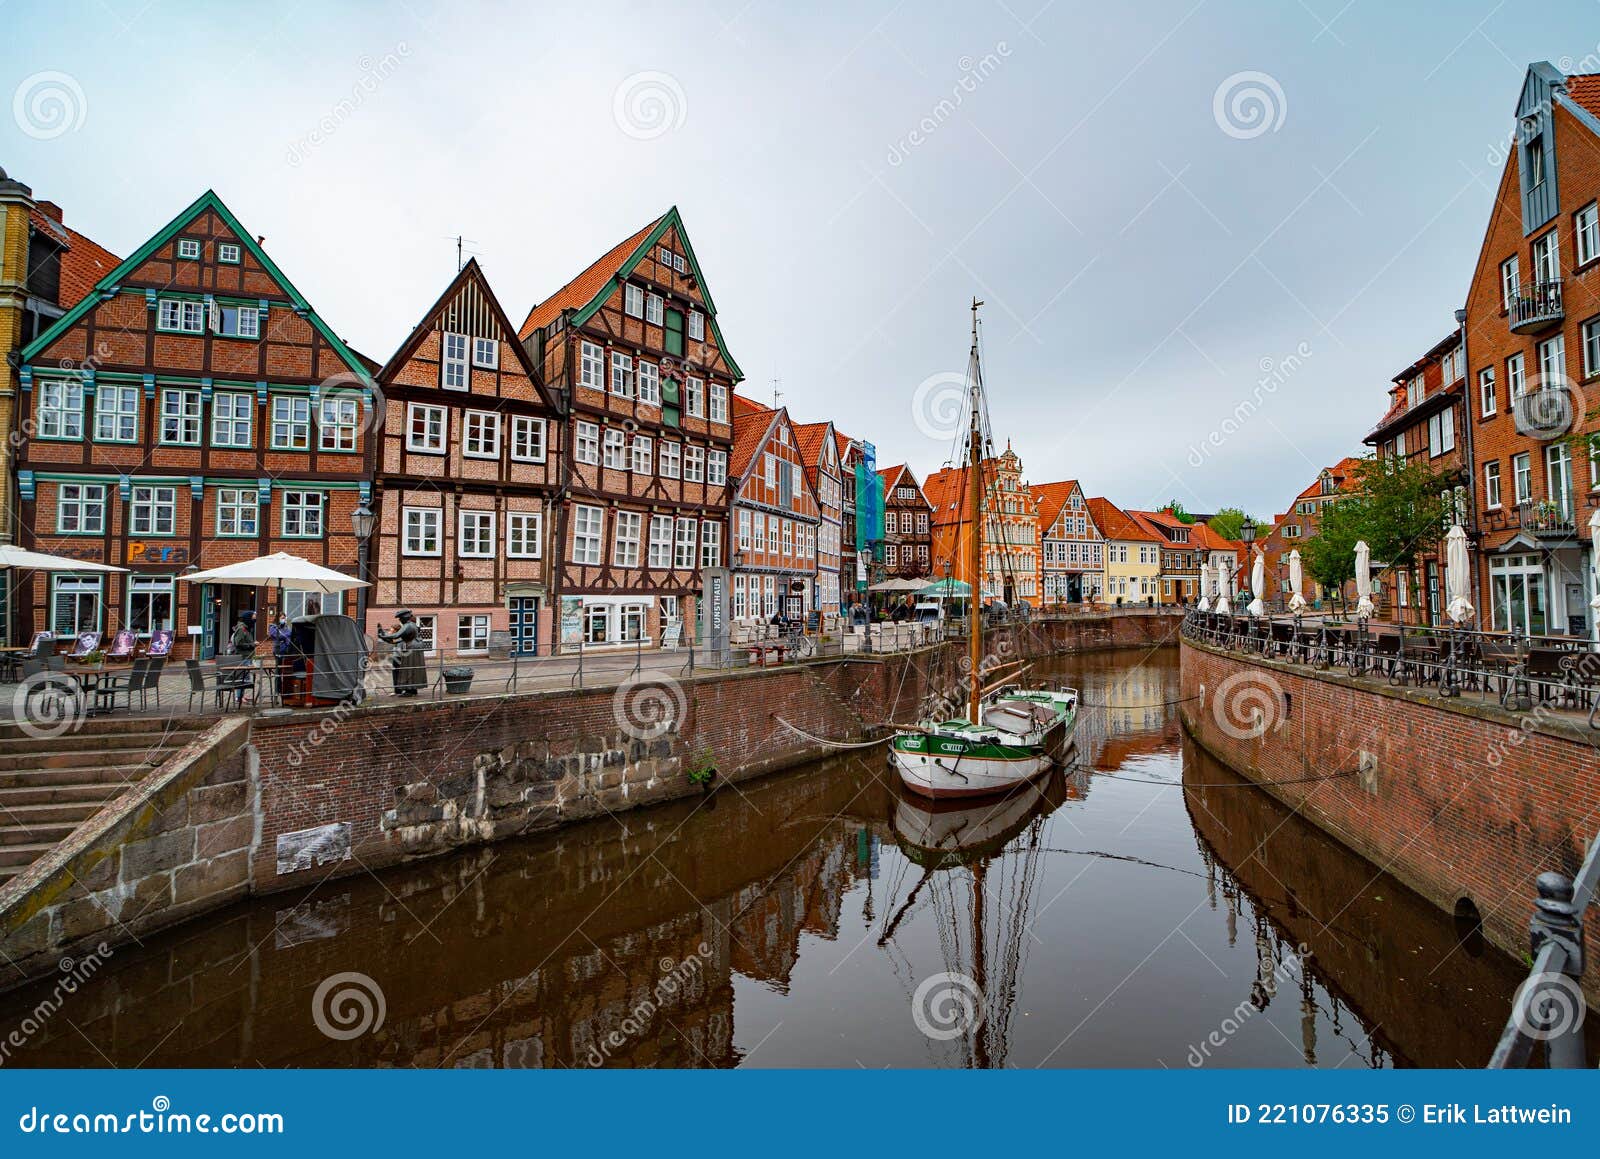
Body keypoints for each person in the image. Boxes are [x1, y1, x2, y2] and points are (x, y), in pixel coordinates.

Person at [376, 609, 426, 696]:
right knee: (411, 669)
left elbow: (396, 635)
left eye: (400, 618)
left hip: (411, 649)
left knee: (408, 669)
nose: (399, 620)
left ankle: (409, 691)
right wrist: (385, 637)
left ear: (404, 617)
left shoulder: (408, 626)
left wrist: (383, 635)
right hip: (413, 648)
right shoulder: (411, 625)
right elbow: (397, 640)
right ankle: (412, 689)